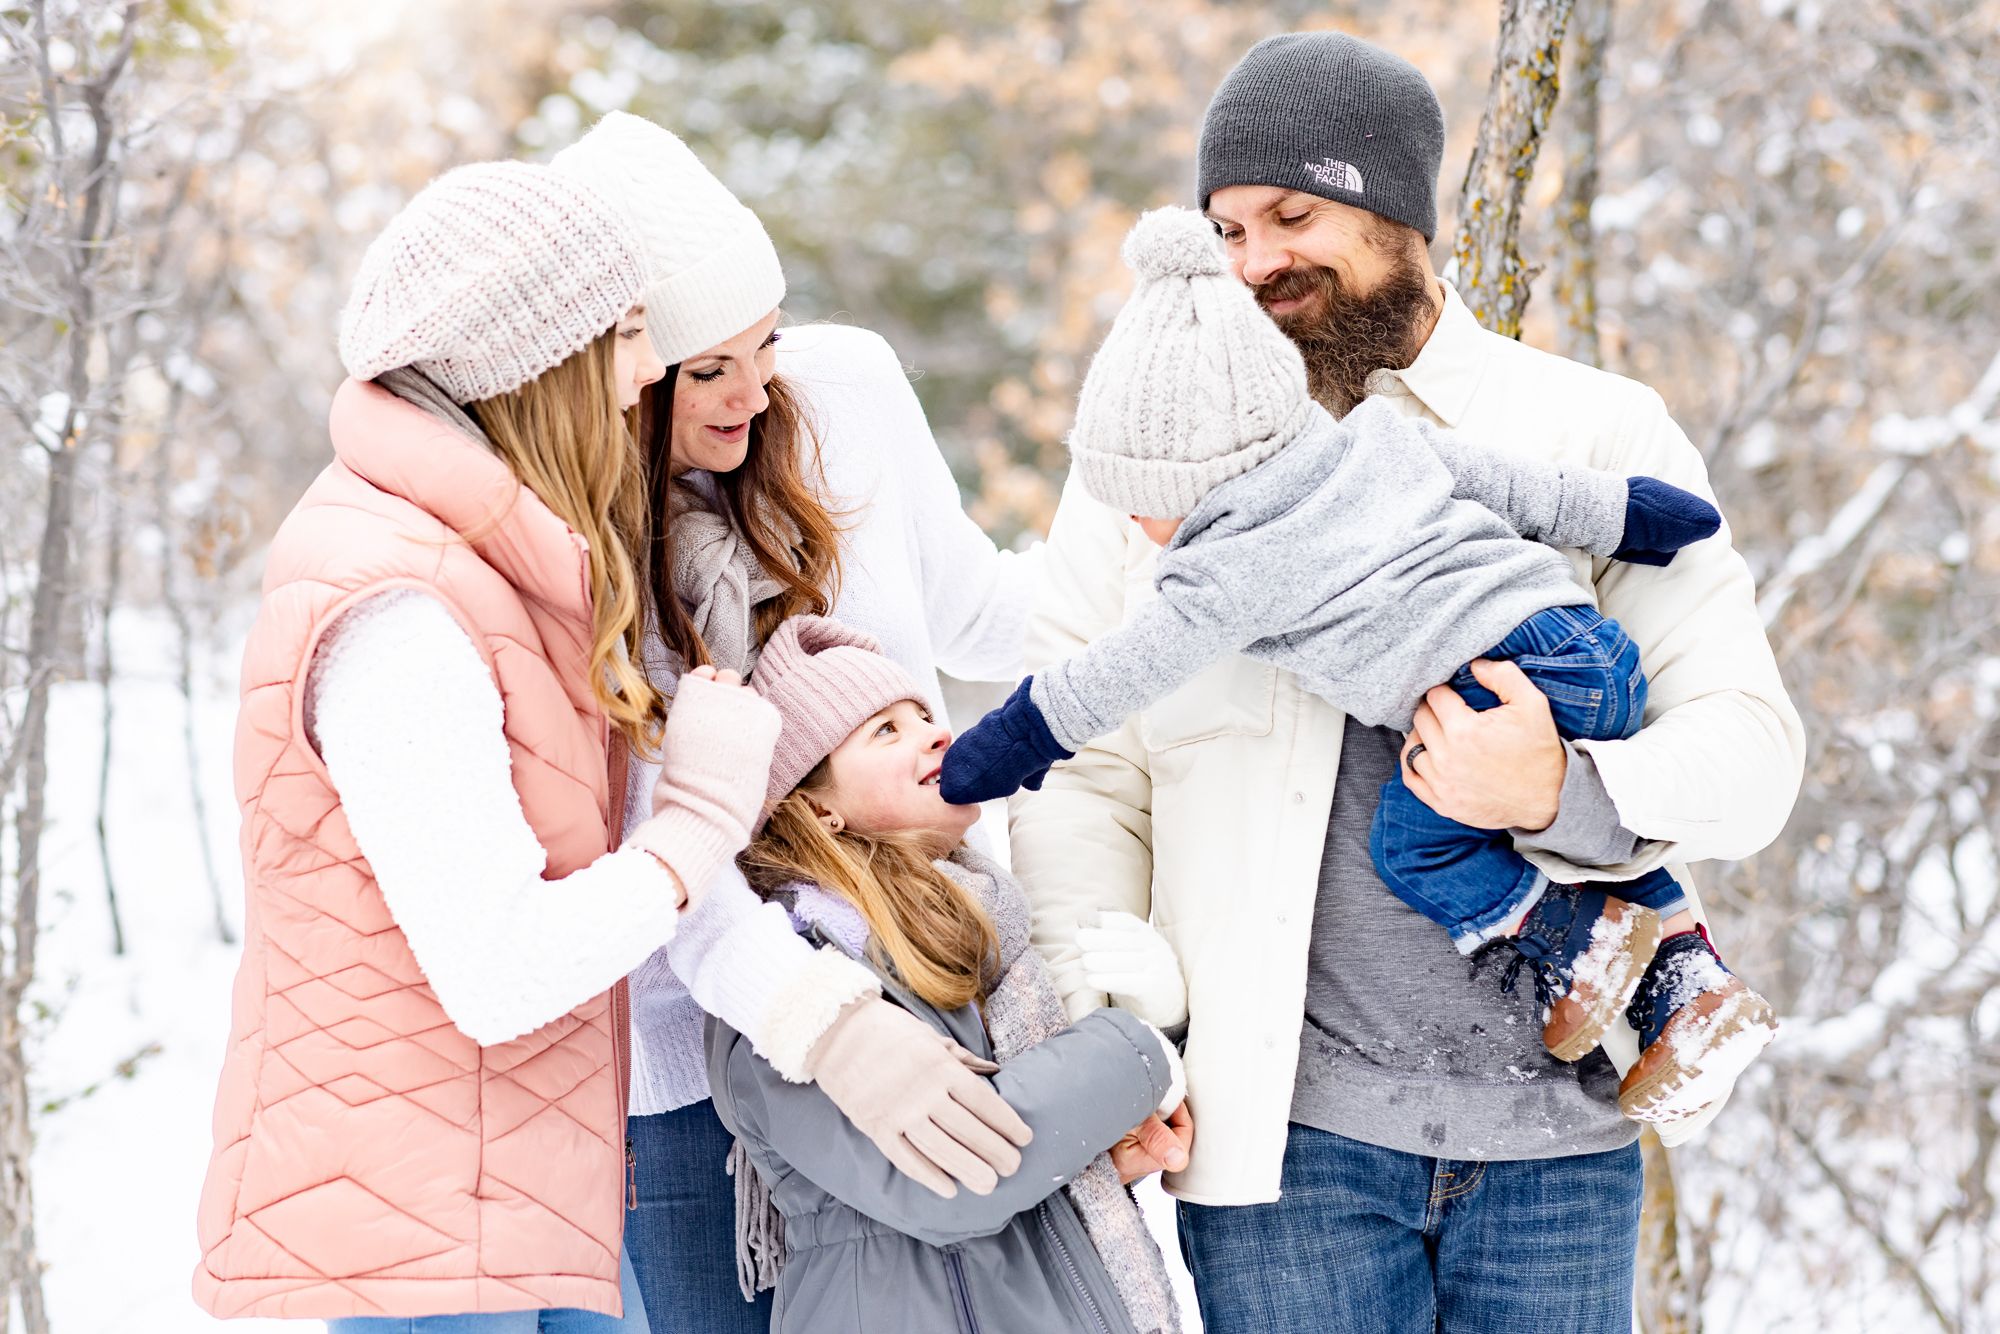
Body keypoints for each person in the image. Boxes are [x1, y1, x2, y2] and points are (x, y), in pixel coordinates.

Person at [1009, 31, 1805, 1334]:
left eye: (1291, 214)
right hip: (1283, 1150)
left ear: (1396, 212)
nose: (1253, 260)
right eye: (1226, 227)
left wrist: (1562, 785)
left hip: (1559, 1139)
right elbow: (1082, 779)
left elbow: (1751, 751)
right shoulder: (1150, 471)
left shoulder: (1590, 433)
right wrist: (1108, 1037)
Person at [943, 207, 1779, 1119]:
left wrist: (1003, 744)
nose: (1139, 528)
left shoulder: (1224, 570)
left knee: (1417, 845)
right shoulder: (1372, 441)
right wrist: (1635, 515)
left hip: (1501, 683)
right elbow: (1526, 491)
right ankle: (1683, 973)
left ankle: (1583, 947)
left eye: (1145, 503)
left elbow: (1105, 681)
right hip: (1582, 650)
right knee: (1535, 820)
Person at [193, 161, 783, 1331]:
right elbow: (501, 967)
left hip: (501, 1204)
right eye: (624, 335)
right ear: (535, 360)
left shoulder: (485, 566)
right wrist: (698, 821)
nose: (648, 370)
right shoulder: (401, 605)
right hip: (427, 1247)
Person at [548, 112, 1112, 1331]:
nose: (756, 387)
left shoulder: (843, 388)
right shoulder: (571, 536)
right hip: (694, 1074)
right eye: (707, 369)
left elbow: (976, 611)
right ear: (622, 376)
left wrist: (1147, 575)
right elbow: (655, 840)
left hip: (925, 982)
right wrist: (823, 1026)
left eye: (769, 338)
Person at [710, 616, 1187, 1334]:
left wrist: (1092, 1149)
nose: (937, 735)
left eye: (926, 717)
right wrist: (1138, 1052)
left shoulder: (983, 934)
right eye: (885, 731)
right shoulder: (795, 977)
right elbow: (948, 1176)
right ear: (817, 809)